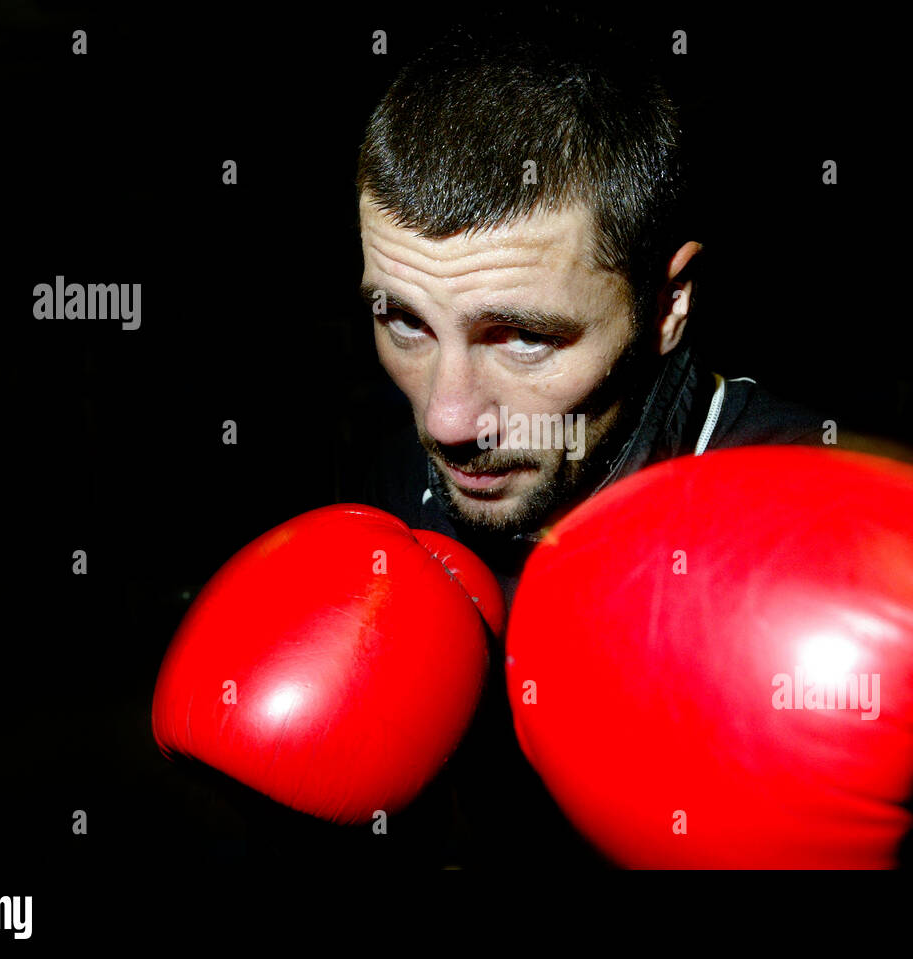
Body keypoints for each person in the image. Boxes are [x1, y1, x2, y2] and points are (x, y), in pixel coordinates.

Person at [351, 16, 831, 867]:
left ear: (666, 305)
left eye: (525, 337)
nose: (448, 419)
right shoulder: (404, 485)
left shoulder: (811, 526)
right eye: (405, 321)